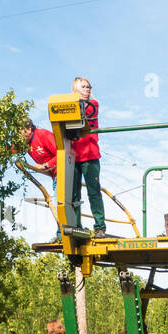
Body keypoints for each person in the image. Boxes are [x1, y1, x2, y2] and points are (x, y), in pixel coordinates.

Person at [71, 76, 114, 238]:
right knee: (74, 193)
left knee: (93, 191)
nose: (87, 89)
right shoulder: (70, 106)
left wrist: (73, 105)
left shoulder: (93, 104)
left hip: (90, 155)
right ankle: (76, 225)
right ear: (75, 89)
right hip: (74, 156)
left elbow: (83, 113)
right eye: (84, 87)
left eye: (89, 87)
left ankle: (99, 226)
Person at [18, 118, 61, 240]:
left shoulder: (43, 135)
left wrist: (46, 165)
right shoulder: (24, 143)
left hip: (64, 171)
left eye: (21, 131)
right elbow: (10, 149)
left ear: (29, 129)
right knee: (58, 200)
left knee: (60, 201)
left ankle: (62, 231)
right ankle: (62, 230)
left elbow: (62, 152)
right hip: (54, 175)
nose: (19, 135)